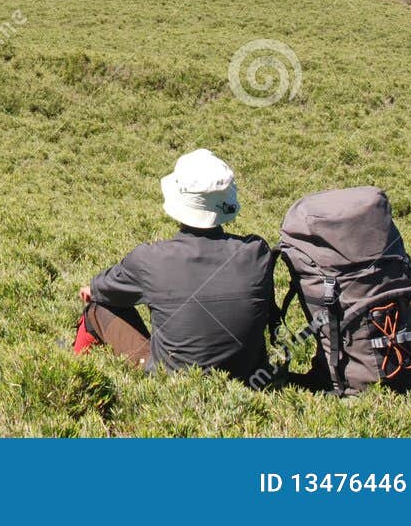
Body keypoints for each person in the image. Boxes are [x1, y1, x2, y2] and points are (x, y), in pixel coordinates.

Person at [74, 148, 272, 379]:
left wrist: (94, 290)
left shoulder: (150, 258)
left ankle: (74, 377)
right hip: (249, 379)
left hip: (171, 383)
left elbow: (102, 291)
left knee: (98, 308)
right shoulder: (257, 252)